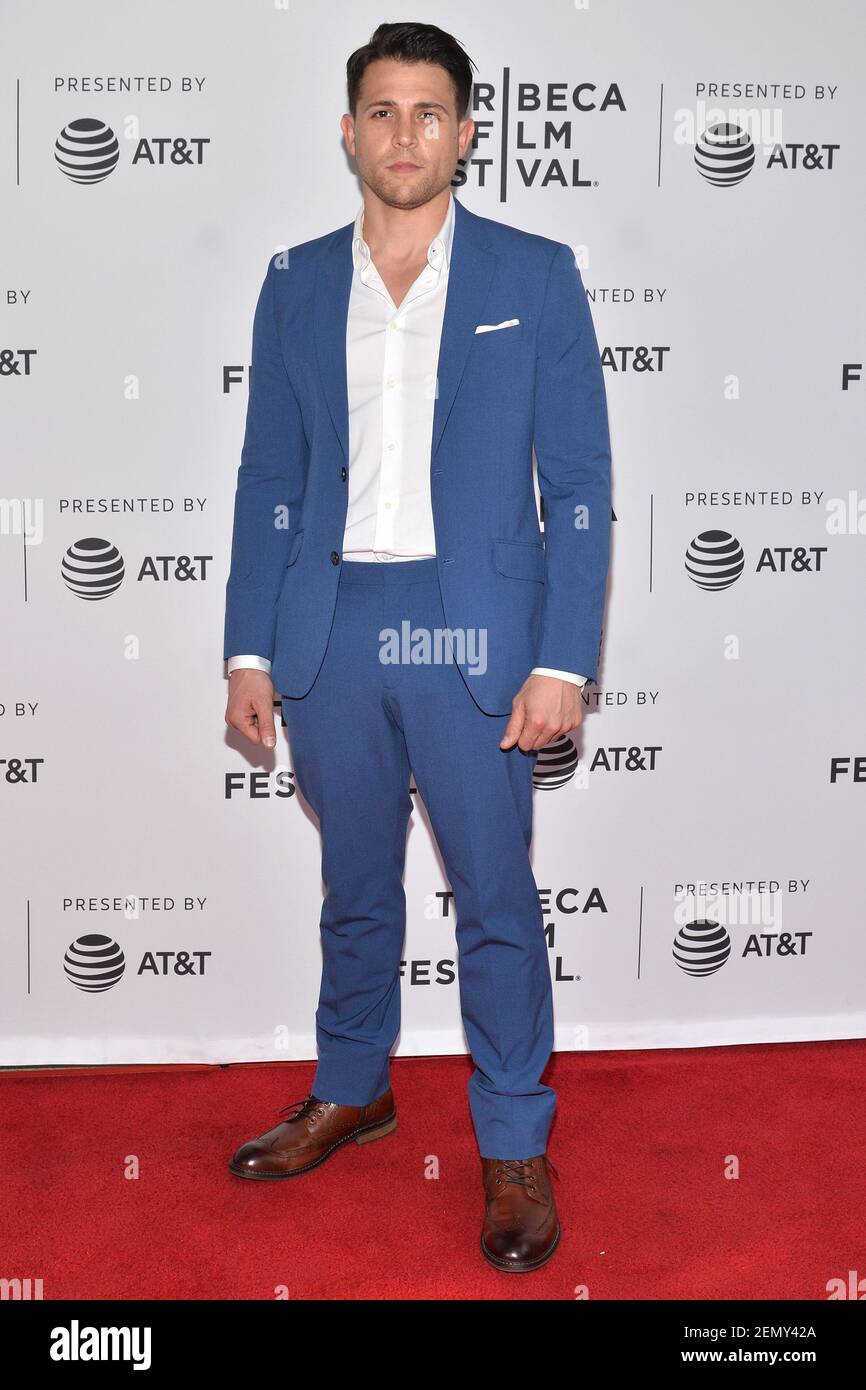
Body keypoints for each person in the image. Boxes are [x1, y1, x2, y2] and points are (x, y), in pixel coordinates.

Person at [222, 20, 611, 1274]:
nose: (404, 135)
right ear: (349, 133)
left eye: (428, 112)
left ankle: (510, 1142)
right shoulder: (292, 280)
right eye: (380, 112)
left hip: (473, 627)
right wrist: (245, 650)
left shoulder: (534, 274)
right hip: (328, 626)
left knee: (493, 898)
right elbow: (267, 477)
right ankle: (355, 1087)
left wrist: (563, 657)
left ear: (464, 132)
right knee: (353, 889)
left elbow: (583, 486)